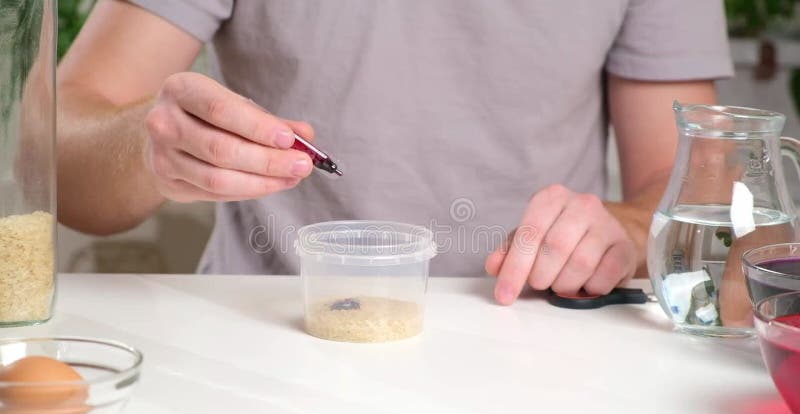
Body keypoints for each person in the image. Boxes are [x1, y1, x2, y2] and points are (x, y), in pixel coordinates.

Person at [56, 0, 732, 305]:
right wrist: (152, 148)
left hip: (535, 344)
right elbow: (60, 153)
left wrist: (631, 228)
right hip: (265, 332)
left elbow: (689, 187)